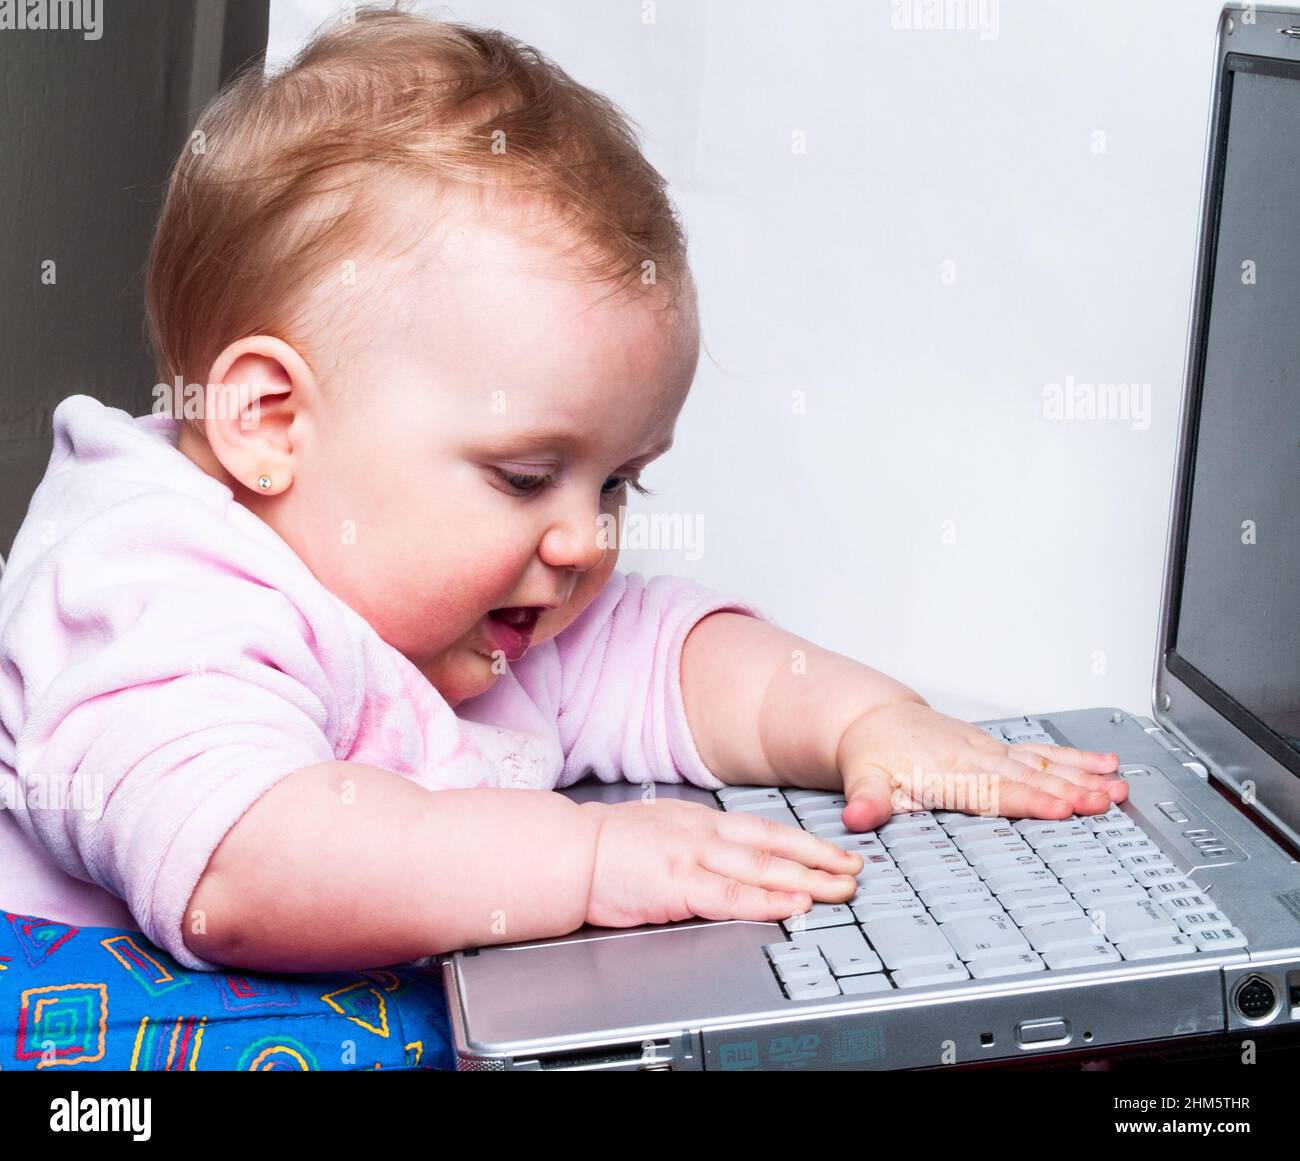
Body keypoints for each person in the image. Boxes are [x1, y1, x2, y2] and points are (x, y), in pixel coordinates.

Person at [0, 6, 1126, 1070]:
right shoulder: (150, 585)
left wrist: (869, 721)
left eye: (621, 482)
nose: (586, 537)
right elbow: (239, 865)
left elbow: (672, 663)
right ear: (269, 421)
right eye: (527, 475)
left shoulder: (476, 612)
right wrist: (589, 863)